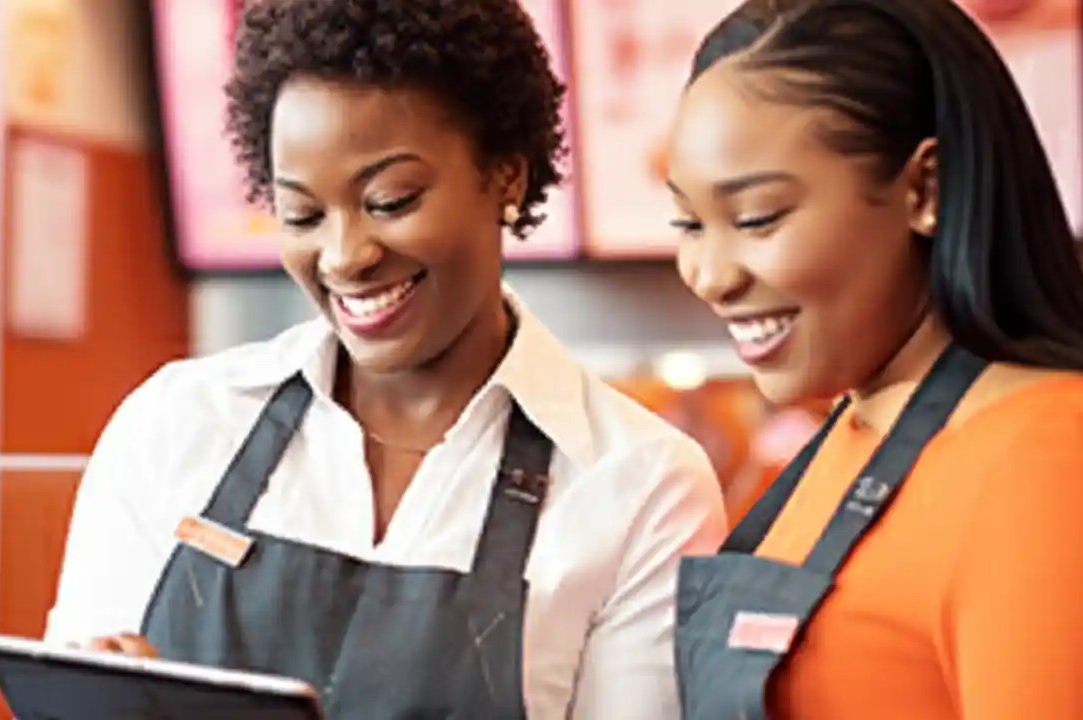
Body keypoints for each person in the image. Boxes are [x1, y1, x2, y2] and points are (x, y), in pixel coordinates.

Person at [45, 0, 727, 717]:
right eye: (303, 215)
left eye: (390, 200)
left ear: (507, 177)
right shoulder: (178, 423)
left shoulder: (640, 485)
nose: (345, 256)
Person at [664, 1, 1083, 719]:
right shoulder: (853, 430)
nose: (711, 275)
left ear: (922, 190)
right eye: (689, 223)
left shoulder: (1055, 454)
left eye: (756, 218)